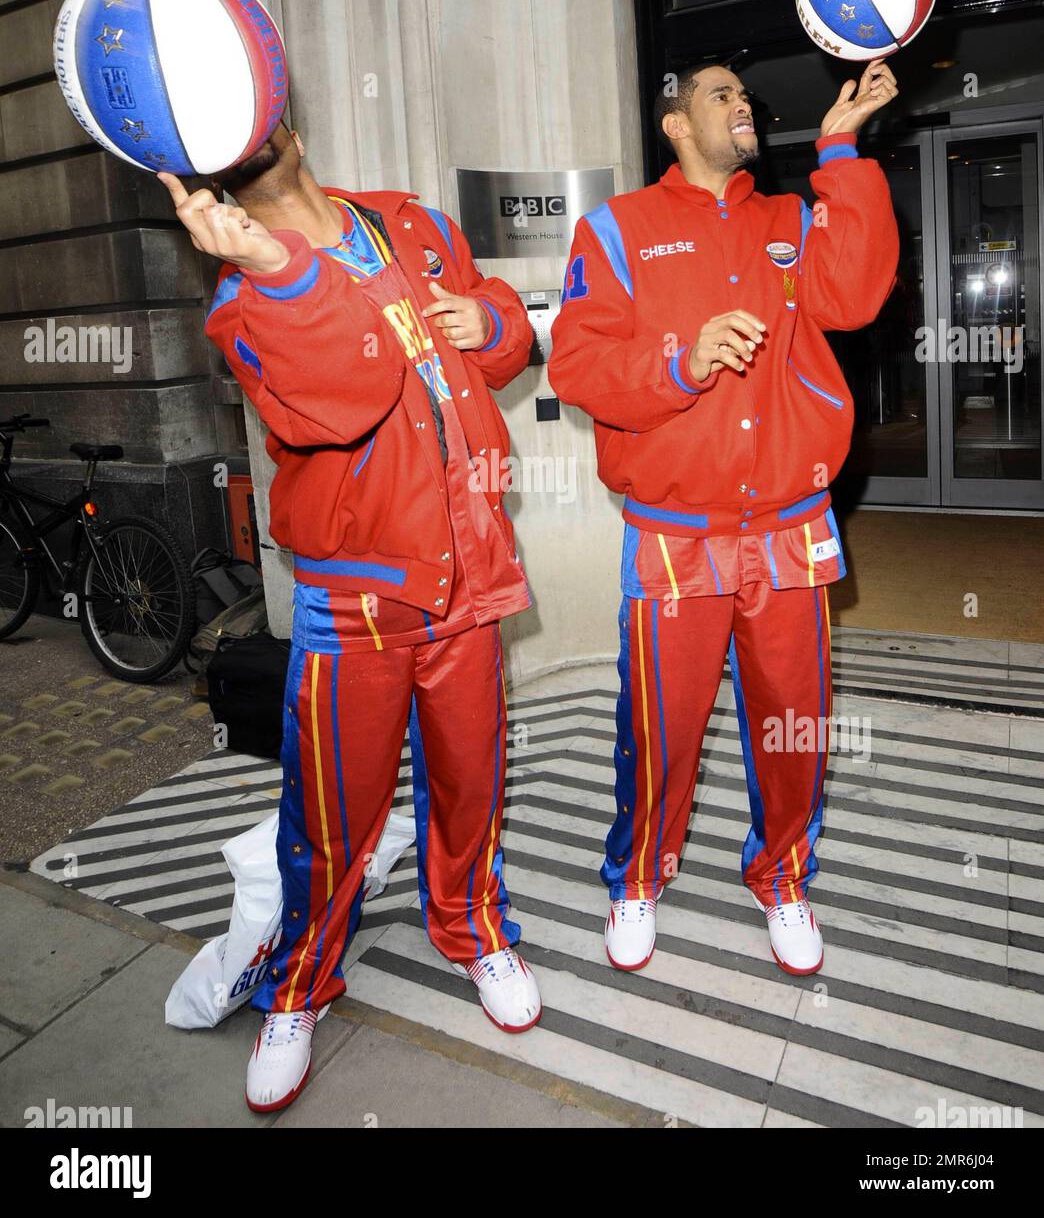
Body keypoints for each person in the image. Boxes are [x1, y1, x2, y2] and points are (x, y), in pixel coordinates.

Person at [159, 119, 541, 1114]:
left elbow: (503, 338)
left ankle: (473, 928)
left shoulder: (407, 221)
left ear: (280, 120)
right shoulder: (246, 301)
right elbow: (341, 398)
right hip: (353, 599)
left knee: (472, 778)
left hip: (468, 568)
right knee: (333, 814)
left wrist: (491, 323)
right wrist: (282, 268)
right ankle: (299, 983)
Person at [548, 60, 899, 976]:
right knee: (662, 723)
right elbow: (577, 369)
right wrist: (680, 359)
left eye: (746, 97)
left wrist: (841, 150)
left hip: (788, 517)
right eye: (720, 95)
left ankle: (784, 876)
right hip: (675, 532)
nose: (743, 106)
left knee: (795, 717)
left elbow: (857, 294)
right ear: (674, 123)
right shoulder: (616, 229)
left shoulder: (789, 220)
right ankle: (638, 877)